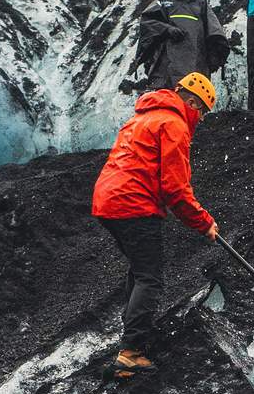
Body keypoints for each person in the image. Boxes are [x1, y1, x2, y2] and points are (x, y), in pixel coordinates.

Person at [92, 72, 220, 377]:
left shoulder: (143, 118)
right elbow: (175, 189)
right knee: (150, 277)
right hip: (134, 204)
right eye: (201, 111)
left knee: (139, 270)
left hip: (107, 200)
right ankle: (130, 353)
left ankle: (131, 339)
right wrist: (204, 223)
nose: (200, 119)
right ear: (191, 101)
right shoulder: (174, 125)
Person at [137, 0, 230, 91]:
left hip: (196, 64)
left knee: (191, 103)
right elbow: (146, 23)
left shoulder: (201, 3)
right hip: (166, 68)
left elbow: (215, 32)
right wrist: (166, 29)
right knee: (167, 104)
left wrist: (214, 58)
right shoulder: (163, 2)